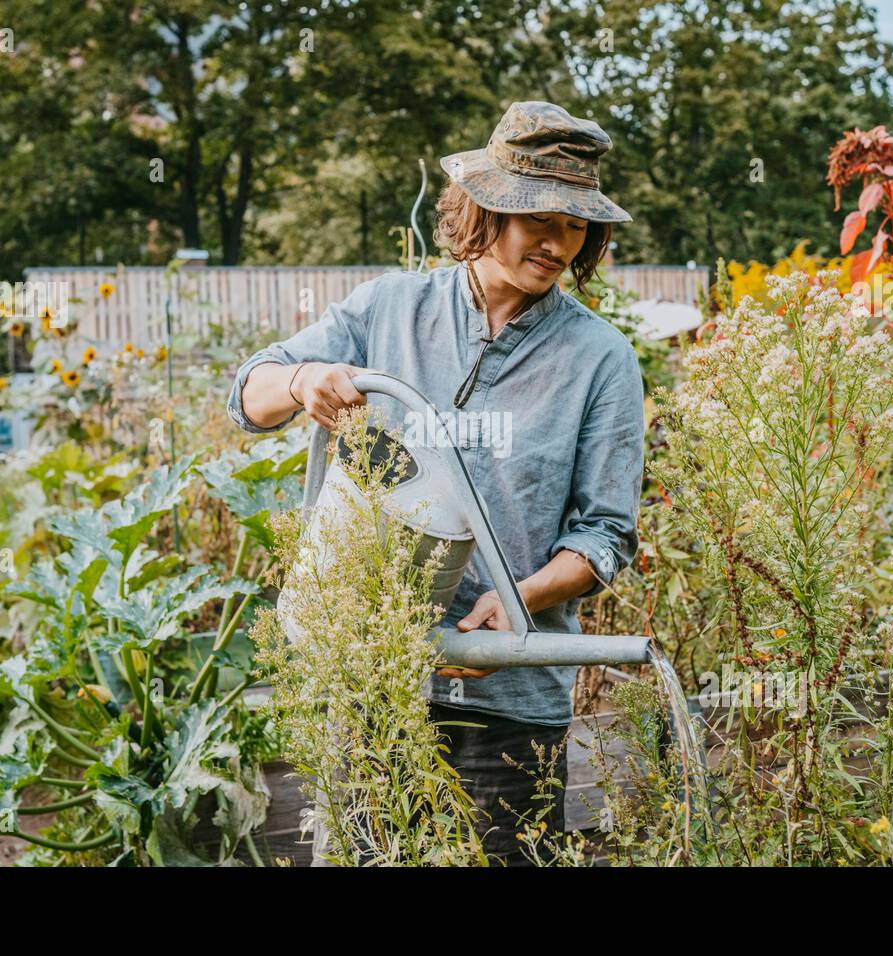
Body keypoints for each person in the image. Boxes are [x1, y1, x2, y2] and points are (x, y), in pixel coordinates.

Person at [228, 100, 645, 865]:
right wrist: (305, 381)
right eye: (540, 220)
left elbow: (605, 534)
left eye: (577, 225)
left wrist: (519, 598)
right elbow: (248, 394)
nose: (559, 244)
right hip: (377, 685)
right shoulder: (392, 308)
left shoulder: (599, 359)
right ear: (486, 209)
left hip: (511, 698)